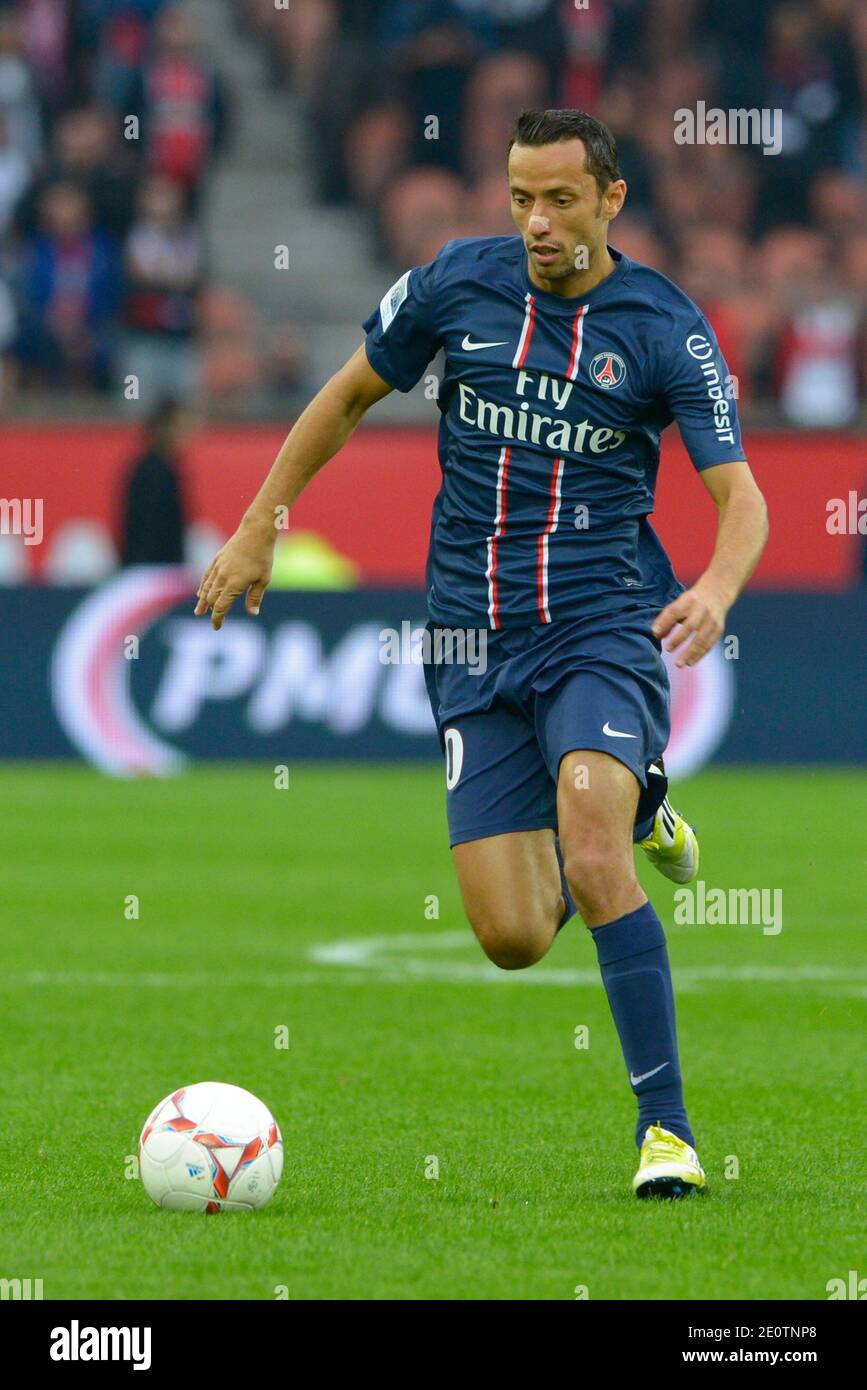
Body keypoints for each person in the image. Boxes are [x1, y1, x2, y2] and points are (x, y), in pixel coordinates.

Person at [194, 109, 769, 1200]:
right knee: (512, 936)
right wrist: (261, 519)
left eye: (559, 199)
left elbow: (741, 498)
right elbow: (350, 393)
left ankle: (668, 1131)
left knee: (593, 856)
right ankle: (643, 802)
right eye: (520, 199)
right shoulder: (458, 284)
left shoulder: (663, 325)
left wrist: (716, 586)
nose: (537, 223)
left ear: (611, 200)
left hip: (600, 624)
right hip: (468, 634)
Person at [120, 395, 195, 564]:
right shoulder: (153, 472)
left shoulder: (165, 469)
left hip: (151, 569)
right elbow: (150, 534)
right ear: (163, 427)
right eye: (181, 427)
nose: (187, 435)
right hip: (152, 572)